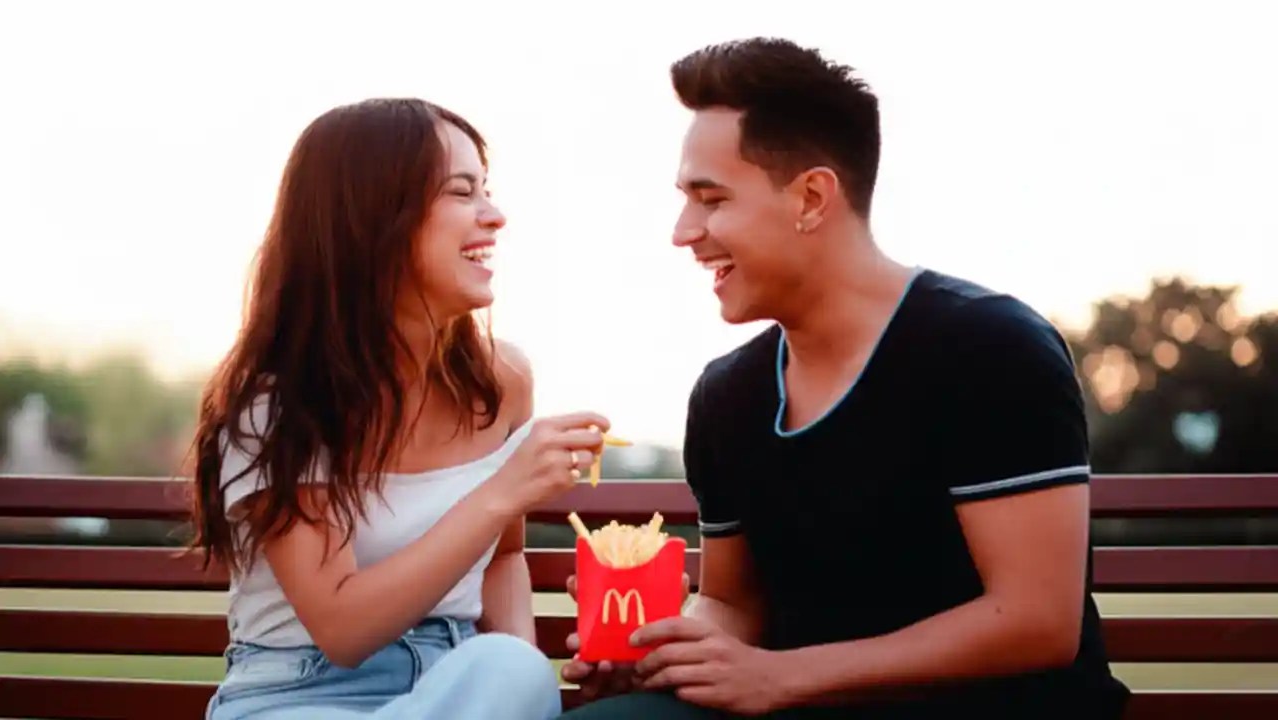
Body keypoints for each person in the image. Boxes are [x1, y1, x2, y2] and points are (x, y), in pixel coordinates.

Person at [558, 38, 1131, 719]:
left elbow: (1036, 620)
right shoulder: (728, 394)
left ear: (811, 196)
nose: (685, 232)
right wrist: (661, 656)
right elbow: (734, 604)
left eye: (710, 199)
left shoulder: (988, 348)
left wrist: (782, 678)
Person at [189, 97, 610, 719]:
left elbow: (504, 559)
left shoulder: (503, 382)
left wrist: (526, 683)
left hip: (459, 682)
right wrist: (501, 491)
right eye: (463, 192)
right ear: (375, 218)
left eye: (486, 190)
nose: (494, 217)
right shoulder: (279, 405)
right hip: (298, 694)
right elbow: (341, 627)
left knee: (512, 666)